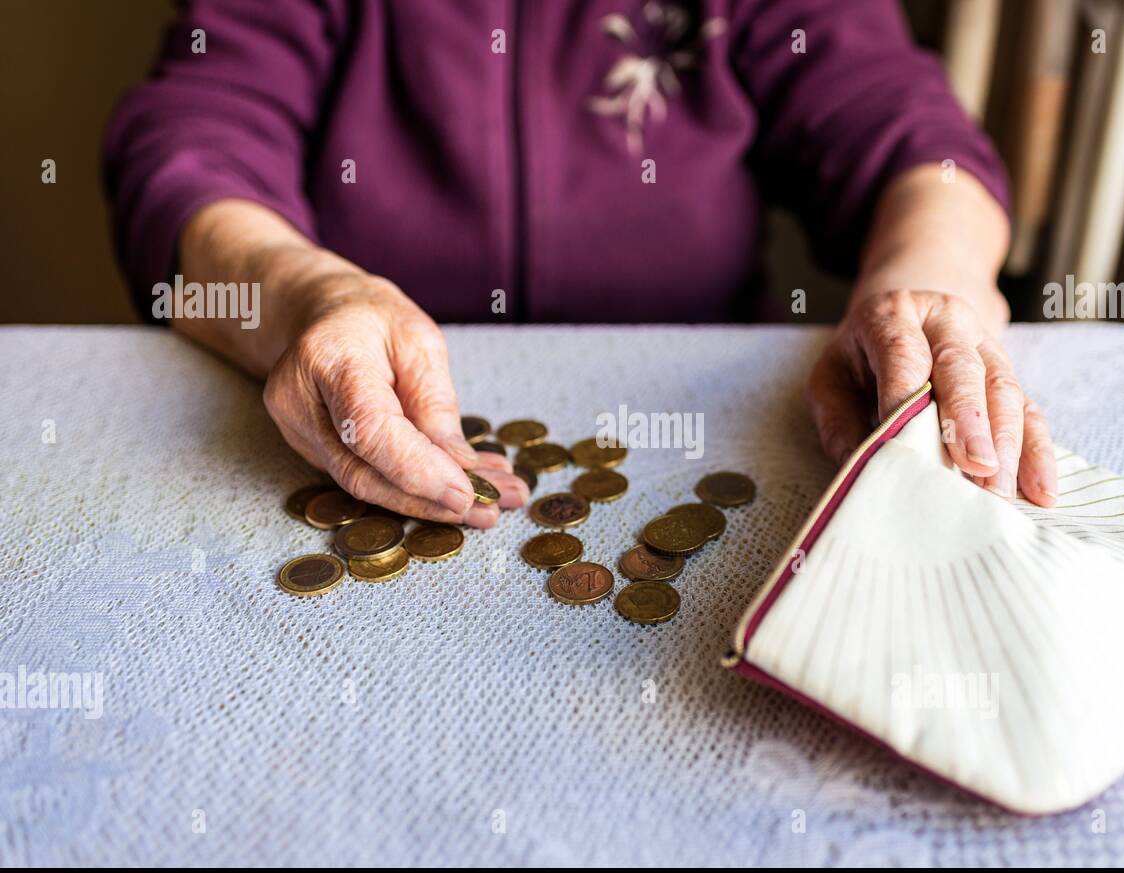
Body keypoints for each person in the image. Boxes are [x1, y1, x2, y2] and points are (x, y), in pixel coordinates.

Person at [104, 0, 1057, 528]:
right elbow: (191, 144)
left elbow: (911, 136)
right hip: (337, 426)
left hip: (720, 425)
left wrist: (921, 288)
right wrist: (309, 292)